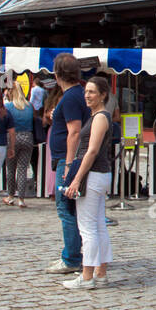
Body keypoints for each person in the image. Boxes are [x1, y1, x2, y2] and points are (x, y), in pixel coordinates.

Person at [64, 75, 114, 289]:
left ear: (103, 95)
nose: (87, 95)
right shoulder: (98, 116)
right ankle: (100, 273)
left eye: (92, 92)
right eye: (86, 91)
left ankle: (87, 277)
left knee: (88, 227)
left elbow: (92, 150)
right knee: (98, 225)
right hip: (99, 174)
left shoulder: (100, 117)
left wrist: (76, 179)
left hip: (93, 174)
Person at [45, 54, 89, 274]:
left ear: (57, 74)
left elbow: (74, 131)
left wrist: (69, 164)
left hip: (67, 158)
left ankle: (71, 257)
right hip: (67, 157)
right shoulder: (77, 94)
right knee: (71, 208)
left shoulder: (71, 96)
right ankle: (74, 254)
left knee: (66, 208)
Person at [3, 86, 35, 207]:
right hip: (28, 137)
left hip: (12, 137)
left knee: (11, 168)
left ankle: (11, 196)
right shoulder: (29, 106)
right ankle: (21, 199)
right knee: (22, 169)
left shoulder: (8, 107)